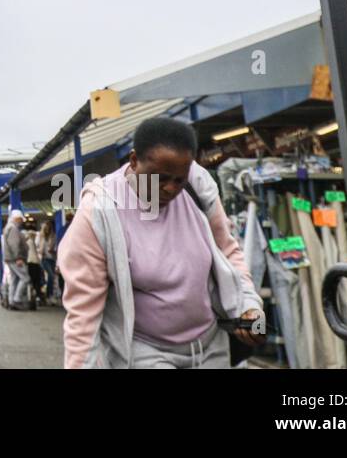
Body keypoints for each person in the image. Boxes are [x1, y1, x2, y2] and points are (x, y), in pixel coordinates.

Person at [56, 117, 264, 369]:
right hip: (147, 355)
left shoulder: (198, 185)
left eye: (179, 179)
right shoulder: (99, 211)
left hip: (212, 346)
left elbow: (228, 251)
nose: (170, 188)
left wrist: (250, 308)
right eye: (160, 178)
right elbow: (83, 315)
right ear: (133, 160)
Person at [2, 210, 31, 310]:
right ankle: (16, 299)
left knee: (14, 280)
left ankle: (11, 301)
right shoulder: (13, 228)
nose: (21, 221)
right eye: (20, 219)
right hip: (15, 258)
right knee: (25, 278)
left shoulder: (8, 227)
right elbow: (14, 244)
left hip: (10, 258)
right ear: (17, 218)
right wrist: (18, 257)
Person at [25, 218, 44, 307]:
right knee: (36, 281)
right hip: (34, 263)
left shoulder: (27, 241)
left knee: (32, 281)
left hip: (29, 263)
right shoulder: (31, 242)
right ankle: (37, 296)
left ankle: (33, 296)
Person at [39, 221, 58, 304]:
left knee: (52, 277)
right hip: (44, 259)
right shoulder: (41, 236)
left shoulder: (53, 236)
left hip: (52, 258)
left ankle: (49, 294)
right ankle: (48, 295)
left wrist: (53, 250)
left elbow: (56, 247)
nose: (47, 229)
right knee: (51, 275)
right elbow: (38, 247)